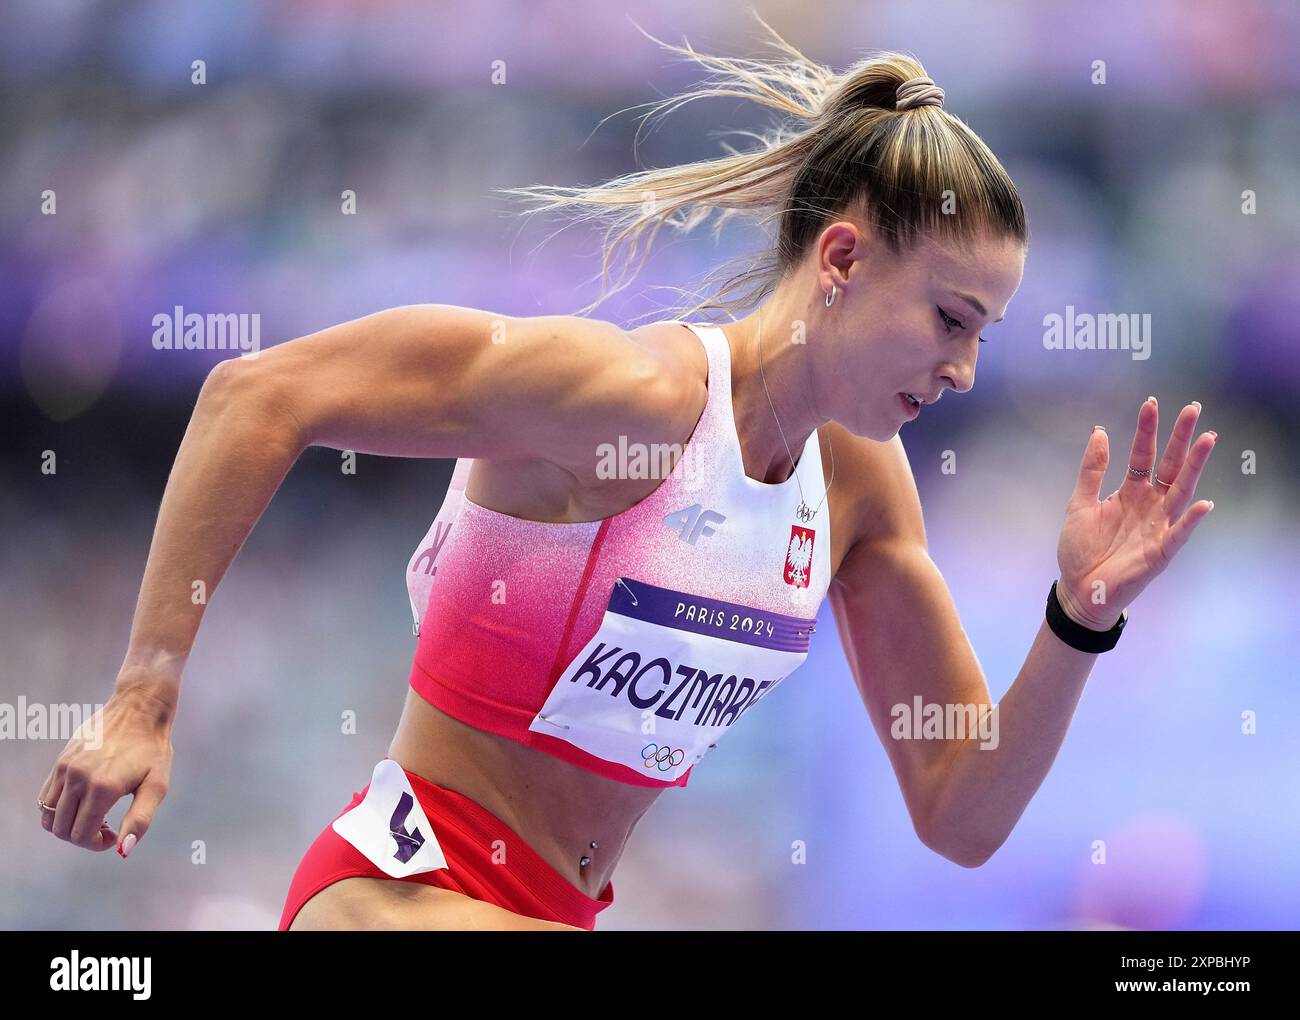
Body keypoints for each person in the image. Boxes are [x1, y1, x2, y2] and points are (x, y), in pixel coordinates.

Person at [37, 20, 1215, 930]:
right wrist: (145, 693)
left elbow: (959, 810)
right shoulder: (620, 399)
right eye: (951, 319)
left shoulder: (860, 491)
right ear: (844, 258)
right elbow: (258, 394)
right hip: (403, 893)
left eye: (984, 337)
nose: (963, 370)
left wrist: (1077, 624)